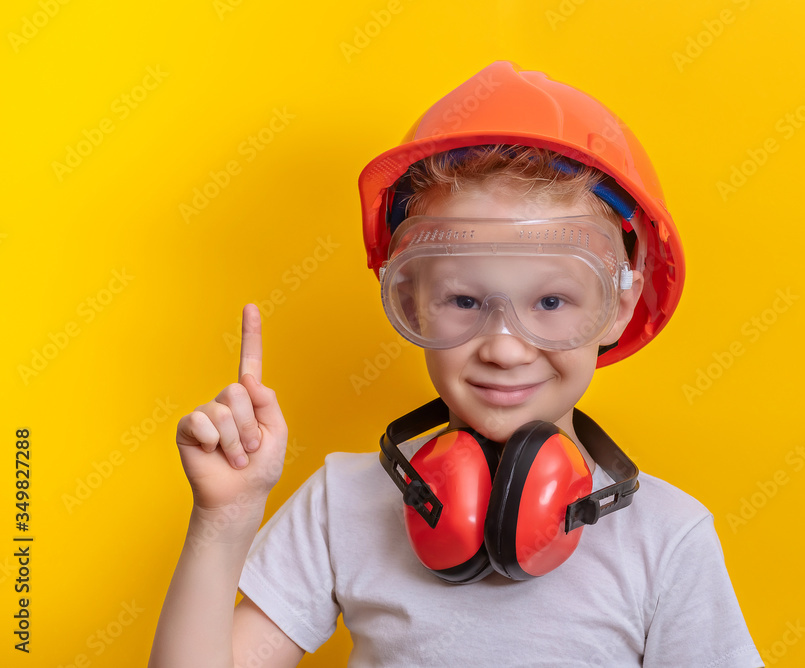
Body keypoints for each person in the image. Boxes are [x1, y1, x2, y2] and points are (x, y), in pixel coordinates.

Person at [150, 61, 765, 667]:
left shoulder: (666, 538)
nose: (502, 346)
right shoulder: (342, 503)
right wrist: (224, 519)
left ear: (619, 304)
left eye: (551, 300)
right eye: (463, 299)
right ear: (410, 297)